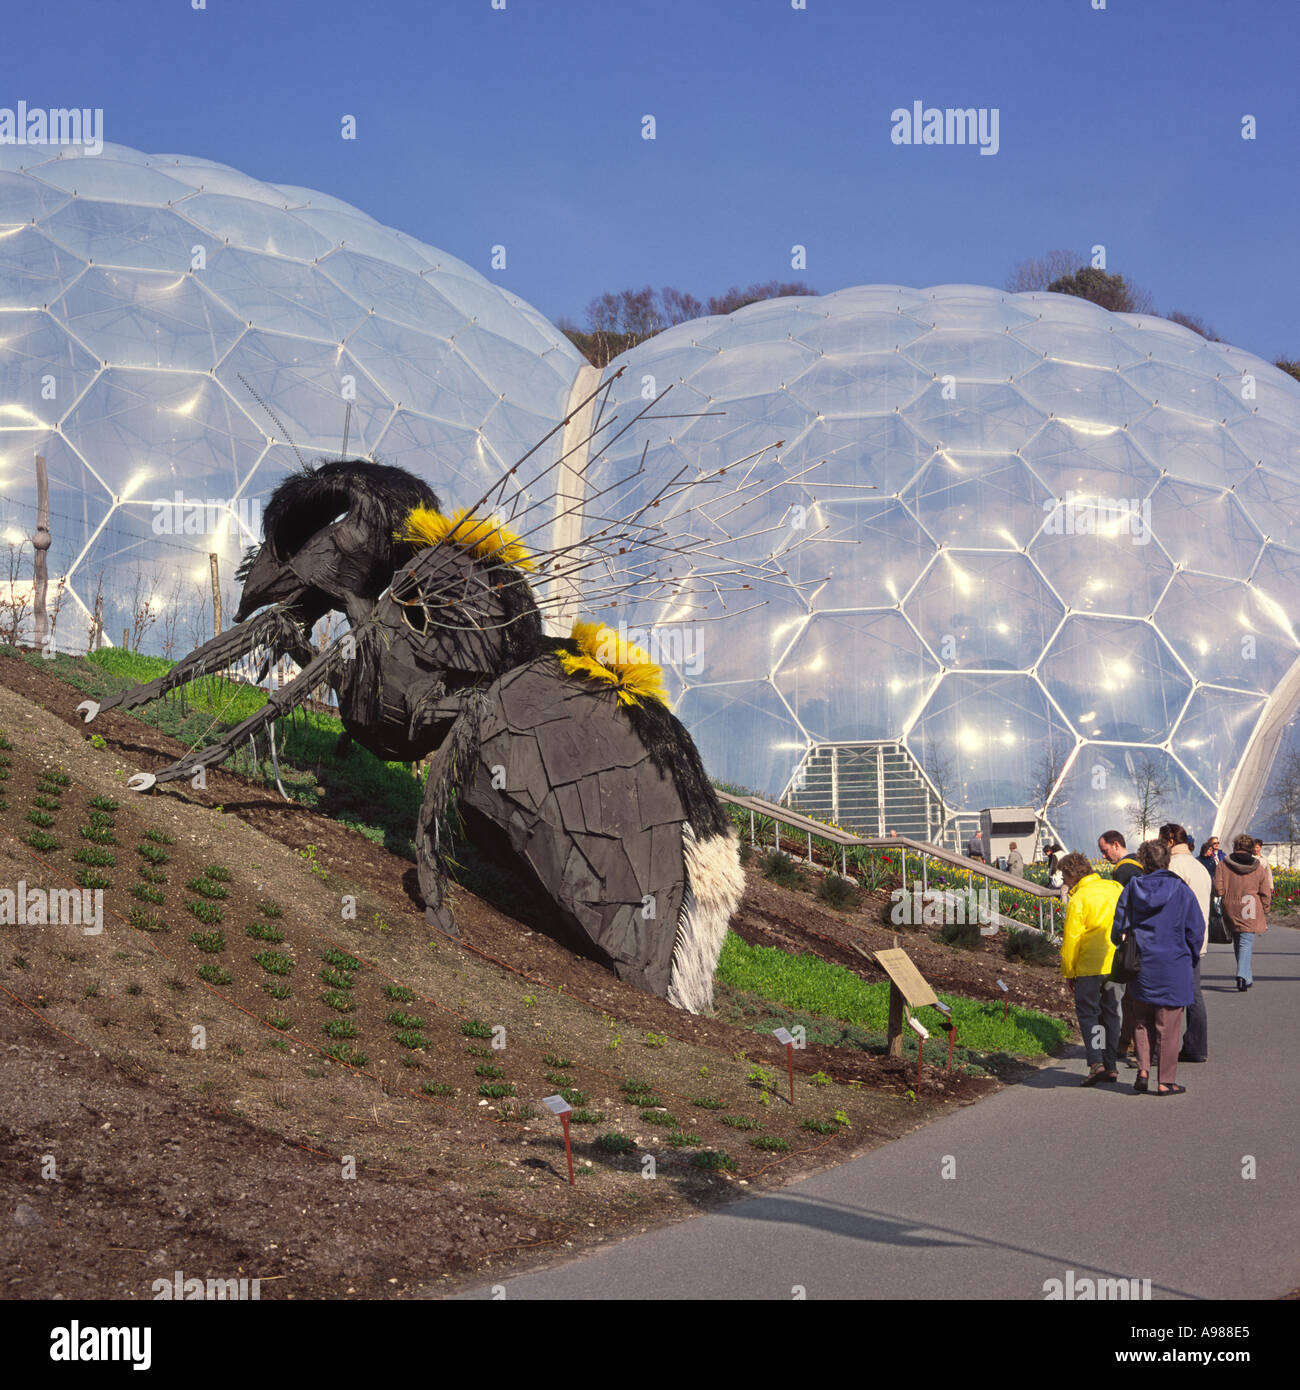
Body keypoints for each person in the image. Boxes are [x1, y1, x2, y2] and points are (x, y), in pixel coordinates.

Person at [1110, 840, 1201, 1095]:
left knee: (1141, 1020)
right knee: (1169, 1026)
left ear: (1143, 862)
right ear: (1167, 860)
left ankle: (1143, 1070)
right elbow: (1195, 929)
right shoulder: (1181, 890)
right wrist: (1191, 955)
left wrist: (1121, 941)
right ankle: (1165, 1080)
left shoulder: (1132, 888)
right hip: (1173, 964)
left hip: (1141, 964)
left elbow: (1118, 928)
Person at [1057, 851, 1124, 1085]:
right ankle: (1112, 1063)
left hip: (1089, 965)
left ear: (1071, 875)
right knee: (1112, 1013)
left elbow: (1072, 939)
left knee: (1089, 1015)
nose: (1064, 882)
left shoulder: (1078, 899)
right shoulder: (1115, 887)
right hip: (1115, 962)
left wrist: (1069, 971)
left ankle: (1097, 1063)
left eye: (1064, 878)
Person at [1159, 822, 1210, 1063]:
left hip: (1179, 940)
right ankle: (1196, 1046)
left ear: (1169, 842)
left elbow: (1169, 904)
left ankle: (1164, 1051)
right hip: (1198, 938)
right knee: (1194, 995)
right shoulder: (1199, 867)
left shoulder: (1174, 866)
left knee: (1173, 997)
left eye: (1161, 841)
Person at [1214, 833, 1271, 992]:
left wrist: (1221, 895)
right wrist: (1266, 907)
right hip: (1250, 906)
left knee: (1238, 941)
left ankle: (1247, 976)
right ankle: (1242, 975)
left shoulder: (1224, 864)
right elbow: (1265, 890)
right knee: (1245, 942)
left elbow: (1218, 886)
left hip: (1230, 905)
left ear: (1235, 847)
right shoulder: (1258, 867)